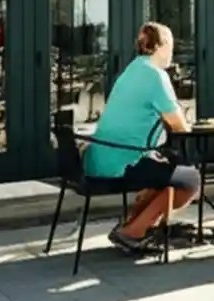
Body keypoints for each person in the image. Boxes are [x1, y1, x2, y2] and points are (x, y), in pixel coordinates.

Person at [84, 22, 200, 252]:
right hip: (123, 164)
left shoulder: (132, 70)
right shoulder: (156, 75)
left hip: (99, 158)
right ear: (163, 46)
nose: (172, 53)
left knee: (165, 172)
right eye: (171, 46)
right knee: (190, 180)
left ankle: (133, 227)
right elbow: (180, 126)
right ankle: (133, 232)